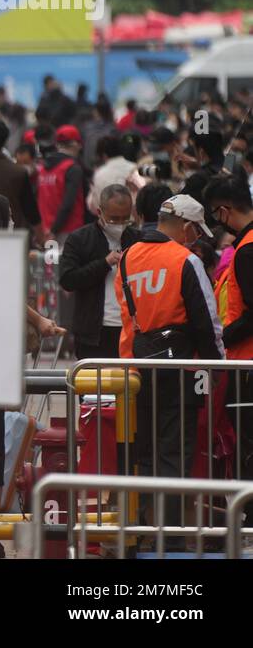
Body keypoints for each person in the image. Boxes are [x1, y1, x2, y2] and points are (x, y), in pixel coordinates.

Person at [113, 193, 224, 528]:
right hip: (180, 368)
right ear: (187, 227)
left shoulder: (128, 256)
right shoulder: (184, 260)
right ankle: (171, 535)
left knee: (144, 452)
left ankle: (143, 529)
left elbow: (127, 314)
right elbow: (207, 320)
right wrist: (216, 365)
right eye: (196, 232)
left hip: (140, 365)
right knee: (174, 452)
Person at [203, 175, 253, 474]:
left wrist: (221, 340)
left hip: (246, 363)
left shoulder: (247, 250)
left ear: (224, 210)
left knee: (248, 442)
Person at [58, 185, 141, 361]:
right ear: (99, 212)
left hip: (131, 328)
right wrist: (104, 263)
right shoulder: (80, 239)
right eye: (113, 219)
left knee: (129, 385)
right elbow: (67, 279)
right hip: (93, 332)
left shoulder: (137, 239)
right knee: (94, 385)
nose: (119, 224)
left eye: (125, 219)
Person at [38, 125, 87, 243]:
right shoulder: (72, 168)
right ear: (75, 144)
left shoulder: (43, 169)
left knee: (50, 261)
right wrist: (54, 231)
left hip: (46, 230)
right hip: (69, 232)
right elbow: (67, 204)